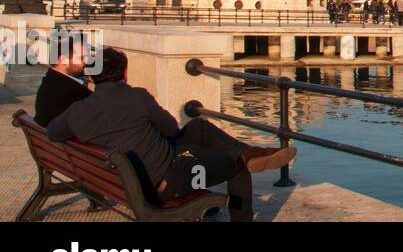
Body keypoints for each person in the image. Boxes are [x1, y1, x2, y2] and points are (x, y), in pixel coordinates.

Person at [47, 47, 296, 222]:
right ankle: (246, 162)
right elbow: (170, 129)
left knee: (198, 127)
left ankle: (250, 151)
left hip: (121, 181)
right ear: (124, 73)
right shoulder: (137, 97)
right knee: (236, 165)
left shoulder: (78, 110)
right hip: (165, 182)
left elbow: (53, 132)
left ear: (92, 76)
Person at [34, 36, 91, 127]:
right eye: (81, 58)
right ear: (63, 60)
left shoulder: (49, 81)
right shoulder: (73, 91)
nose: (86, 62)